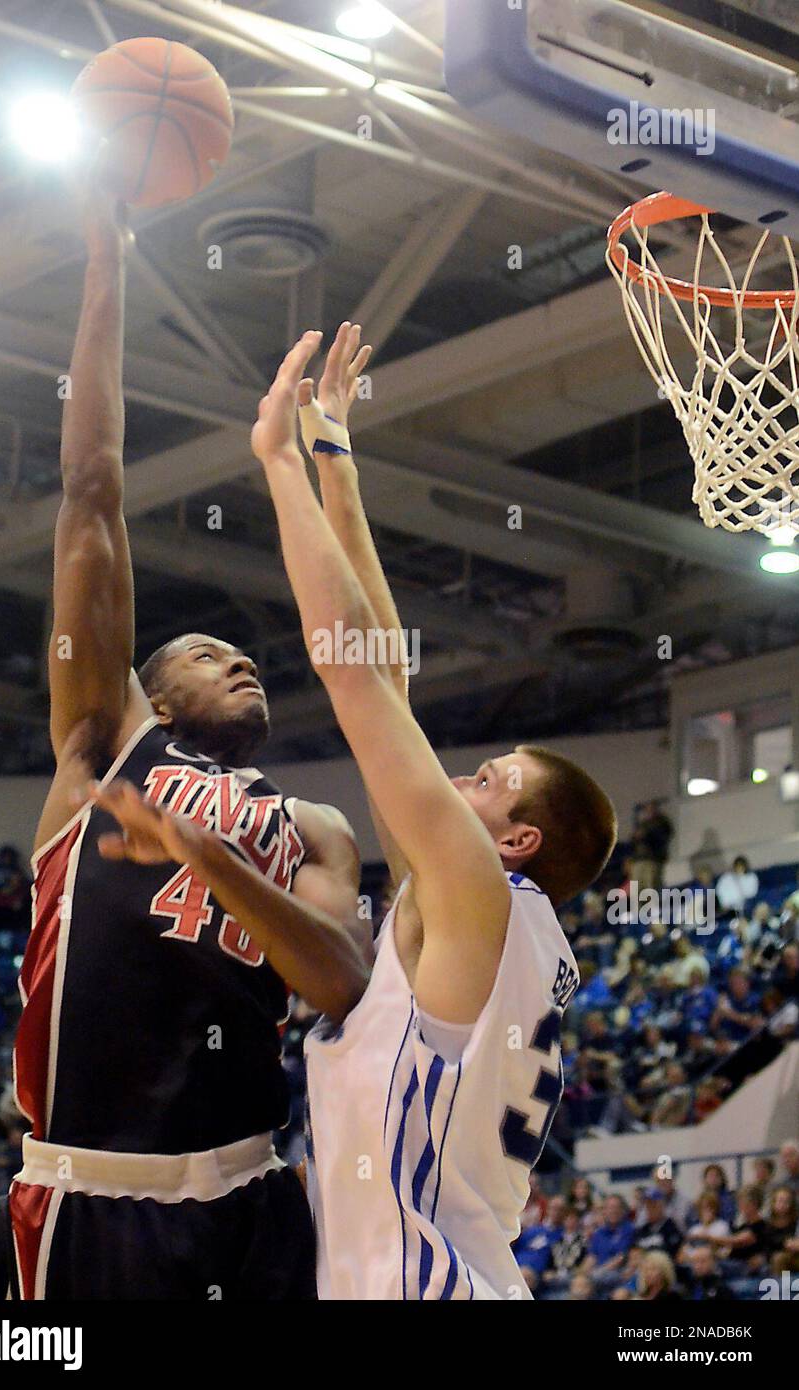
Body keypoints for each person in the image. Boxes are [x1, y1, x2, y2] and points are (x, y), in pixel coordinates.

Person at [9, 196, 367, 1301]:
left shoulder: (315, 824)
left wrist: (206, 858)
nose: (243, 660)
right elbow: (91, 495)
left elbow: (341, 978)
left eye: (247, 655)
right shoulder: (104, 744)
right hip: (95, 1194)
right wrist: (107, 265)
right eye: (210, 651)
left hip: (256, 1192)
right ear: (153, 688)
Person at [248, 327, 618, 1299]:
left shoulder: (473, 889)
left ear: (518, 837)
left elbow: (352, 673)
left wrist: (279, 464)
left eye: (490, 778)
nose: (462, 779)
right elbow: (388, 673)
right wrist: (336, 458)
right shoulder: (490, 914)